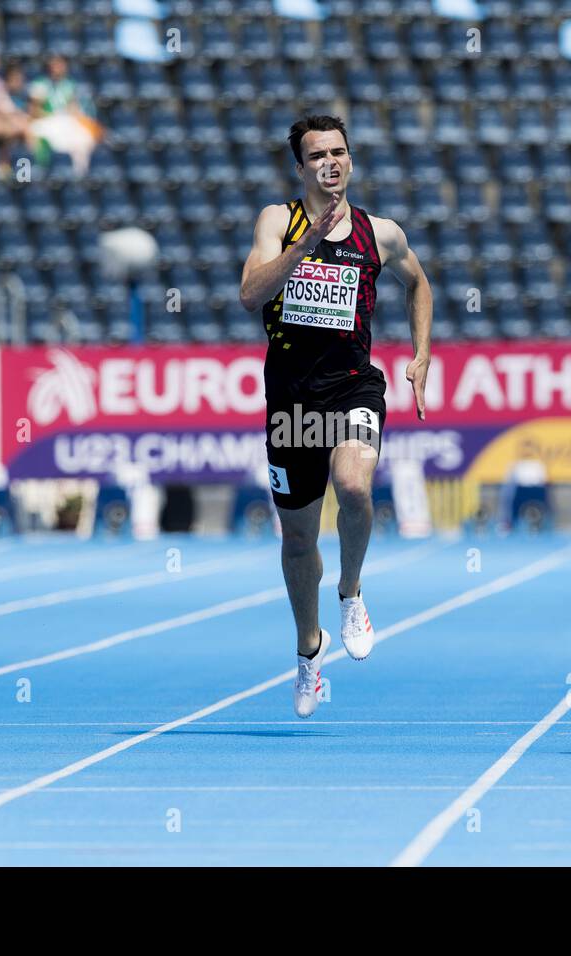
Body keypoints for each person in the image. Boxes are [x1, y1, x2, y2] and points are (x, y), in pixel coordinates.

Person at [239, 115, 433, 718]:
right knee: (298, 539)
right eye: (318, 154)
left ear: (350, 160)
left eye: (340, 152)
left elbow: (419, 285)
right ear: (300, 167)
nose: (331, 162)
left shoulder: (382, 234)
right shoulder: (278, 221)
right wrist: (303, 247)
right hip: (291, 401)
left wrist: (422, 354)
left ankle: (351, 590)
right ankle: (308, 648)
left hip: (353, 388)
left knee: (353, 485)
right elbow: (251, 294)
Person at [27, 55, 104, 176]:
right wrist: (53, 115)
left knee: (83, 139)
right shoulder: (41, 83)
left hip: (65, 121)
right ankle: (36, 169)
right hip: (46, 119)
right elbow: (34, 110)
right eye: (55, 65)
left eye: (61, 65)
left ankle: (79, 174)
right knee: (33, 131)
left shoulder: (69, 84)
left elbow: (73, 108)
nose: (58, 68)